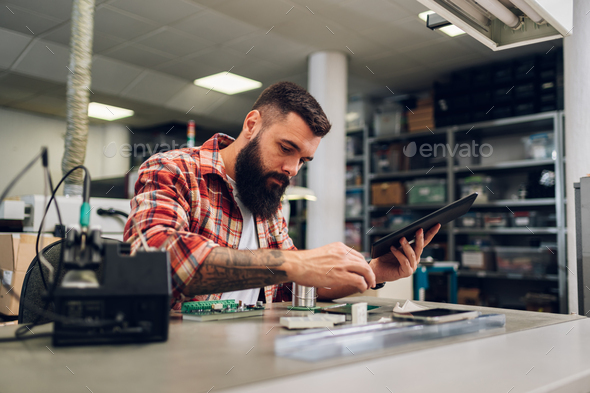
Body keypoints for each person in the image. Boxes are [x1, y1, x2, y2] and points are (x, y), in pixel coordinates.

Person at [124, 81, 440, 308]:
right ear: (252, 124)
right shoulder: (174, 169)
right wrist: (295, 261)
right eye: (286, 148)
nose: (292, 169)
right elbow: (155, 260)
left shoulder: (265, 194)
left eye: (303, 159)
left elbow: (292, 287)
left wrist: (371, 271)